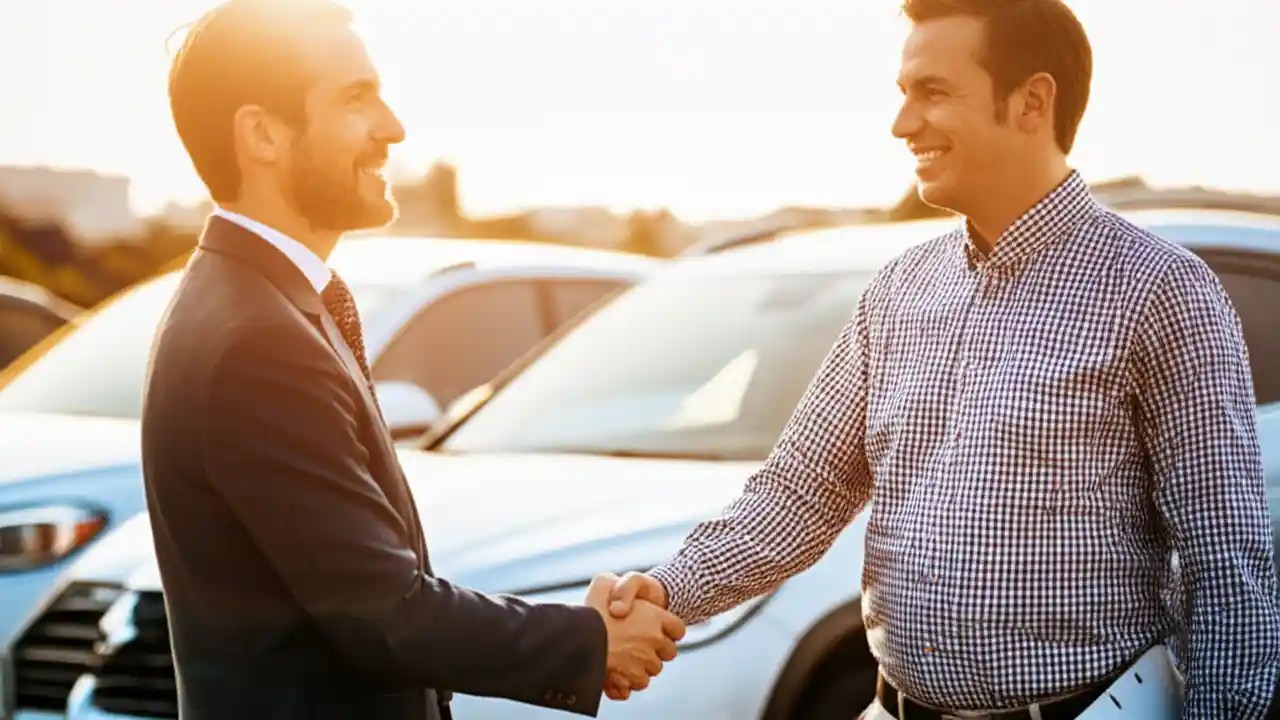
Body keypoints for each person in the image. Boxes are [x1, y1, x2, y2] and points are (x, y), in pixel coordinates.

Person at [605, 0, 1280, 718]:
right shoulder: (898, 291)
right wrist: (665, 591)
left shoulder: (1159, 291)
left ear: (1032, 102)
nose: (902, 126)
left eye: (933, 92)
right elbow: (798, 494)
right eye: (904, 96)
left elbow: (1224, 562)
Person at [140, 2, 683, 718]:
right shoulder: (256, 339)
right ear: (263, 134)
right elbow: (385, 613)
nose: (392, 127)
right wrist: (587, 641)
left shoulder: (253, 301)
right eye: (356, 98)